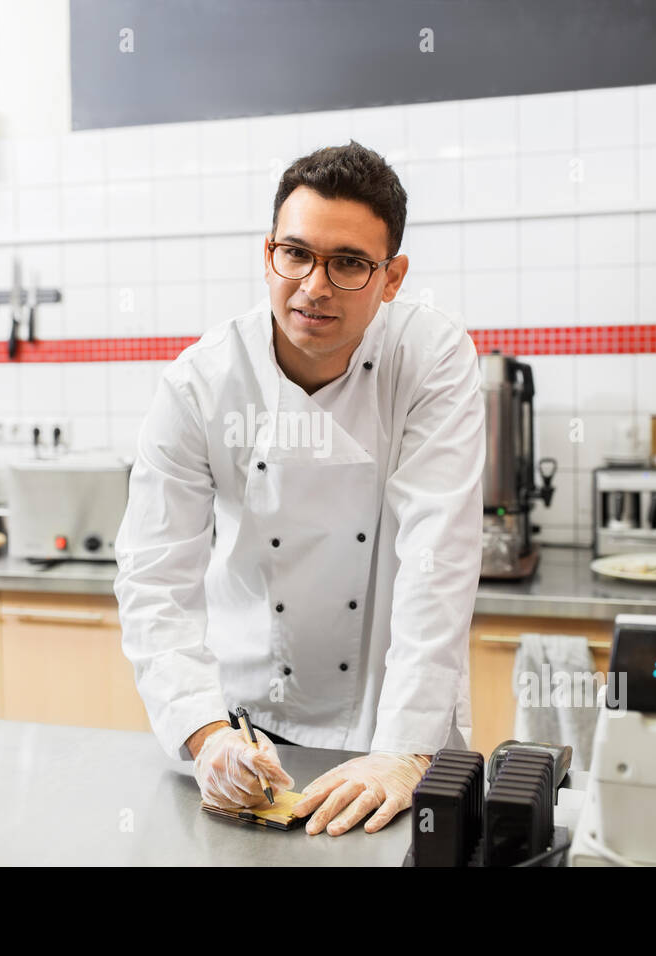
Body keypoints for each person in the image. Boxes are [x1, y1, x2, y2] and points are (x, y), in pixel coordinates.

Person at [114, 140, 485, 836]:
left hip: (397, 721)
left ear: (393, 276)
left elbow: (439, 559)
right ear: (268, 254)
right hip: (253, 729)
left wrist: (402, 750)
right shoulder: (201, 383)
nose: (315, 285)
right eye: (296, 254)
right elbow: (154, 580)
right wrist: (205, 734)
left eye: (348, 264)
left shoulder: (430, 359)